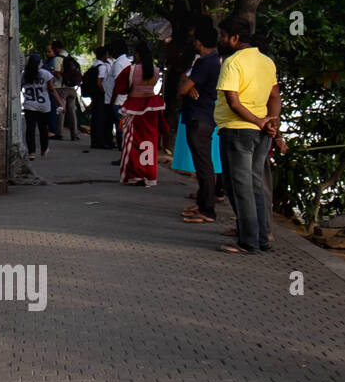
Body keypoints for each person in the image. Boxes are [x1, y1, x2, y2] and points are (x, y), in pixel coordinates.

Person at [215, 16, 279, 254]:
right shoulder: (267, 61)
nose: (220, 40)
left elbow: (233, 100)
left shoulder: (232, 62)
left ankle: (248, 241)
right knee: (254, 185)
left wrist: (259, 121)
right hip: (261, 132)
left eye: (223, 36)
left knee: (239, 186)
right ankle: (261, 238)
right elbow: (275, 96)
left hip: (238, 129)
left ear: (234, 38)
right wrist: (272, 123)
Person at [179, 23, 221, 223]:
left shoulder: (206, 62)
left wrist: (187, 84)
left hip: (200, 116)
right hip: (202, 114)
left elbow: (183, 87)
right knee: (202, 164)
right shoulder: (212, 61)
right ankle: (204, 203)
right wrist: (188, 84)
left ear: (199, 41)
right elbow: (186, 85)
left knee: (203, 165)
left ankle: (207, 209)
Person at [113, 41, 169, 186]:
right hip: (152, 109)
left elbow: (120, 88)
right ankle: (149, 175)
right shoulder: (156, 71)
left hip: (134, 108)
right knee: (149, 141)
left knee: (131, 142)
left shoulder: (131, 70)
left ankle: (134, 174)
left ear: (138, 54)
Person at [21, 52, 61, 160]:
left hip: (29, 104)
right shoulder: (45, 74)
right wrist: (60, 102)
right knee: (43, 128)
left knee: (30, 129)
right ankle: (44, 149)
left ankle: (32, 152)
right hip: (44, 105)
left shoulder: (25, 74)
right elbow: (52, 89)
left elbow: (19, 87)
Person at [105, 40, 133, 152]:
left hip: (117, 100)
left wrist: (112, 100)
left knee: (120, 126)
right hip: (123, 99)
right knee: (122, 125)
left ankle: (122, 148)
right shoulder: (127, 62)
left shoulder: (118, 64)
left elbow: (118, 84)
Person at [53, 40, 82, 141]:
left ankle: (59, 133)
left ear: (56, 49)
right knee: (72, 111)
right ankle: (75, 134)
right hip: (72, 88)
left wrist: (62, 80)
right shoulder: (71, 58)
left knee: (61, 110)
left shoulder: (57, 58)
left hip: (61, 88)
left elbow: (57, 73)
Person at [86, 45, 113, 149]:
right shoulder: (102, 67)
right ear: (104, 55)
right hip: (99, 95)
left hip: (94, 94)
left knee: (95, 118)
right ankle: (100, 141)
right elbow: (99, 82)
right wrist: (104, 92)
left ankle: (95, 140)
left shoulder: (94, 65)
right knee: (100, 118)